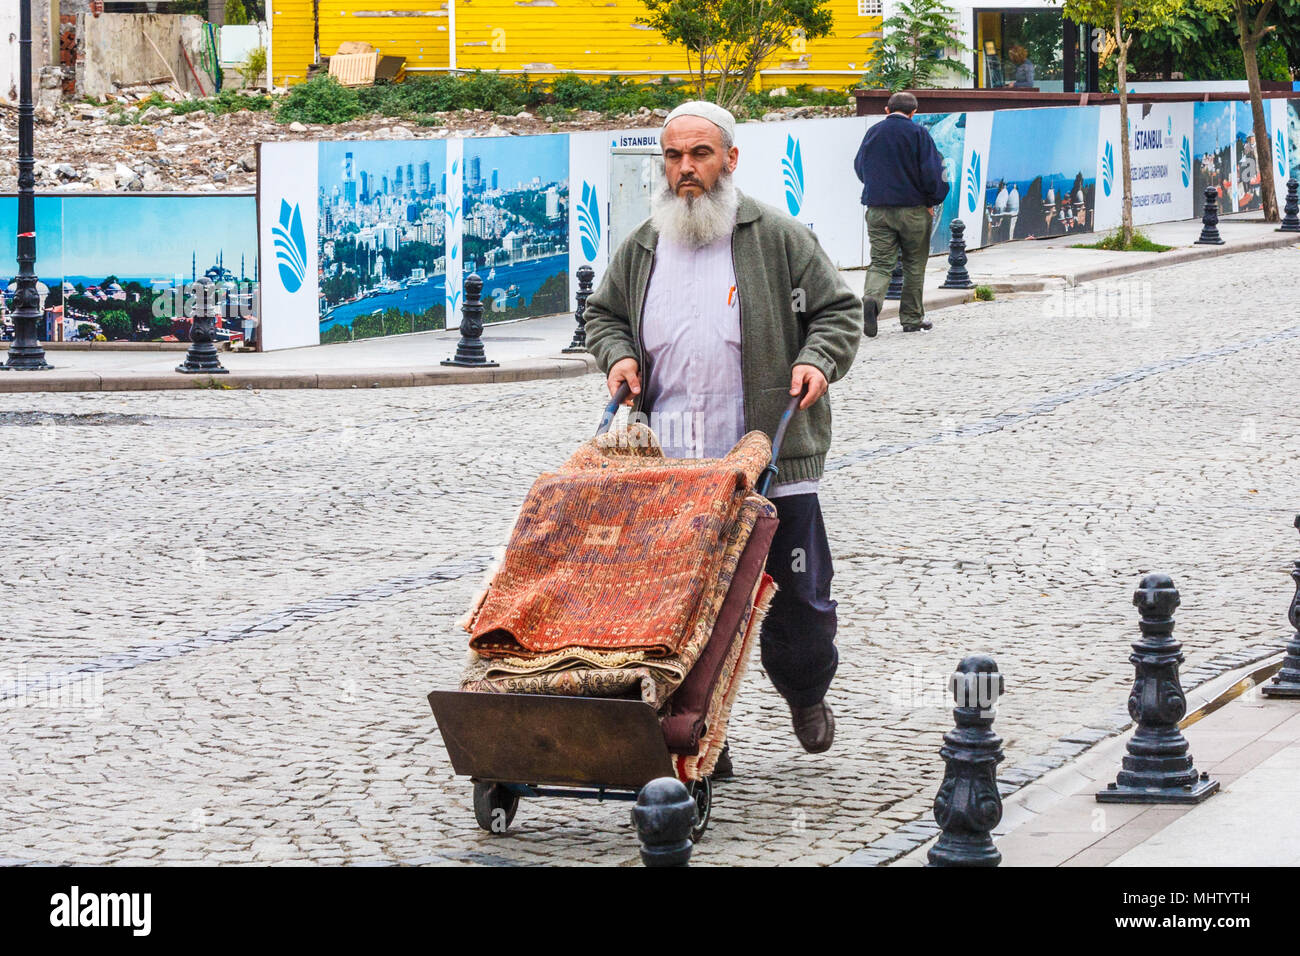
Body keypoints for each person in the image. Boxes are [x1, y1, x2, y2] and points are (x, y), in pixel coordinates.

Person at [583, 101, 862, 760]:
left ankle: (805, 692)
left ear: (730, 159)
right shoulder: (645, 243)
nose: (686, 169)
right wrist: (618, 354)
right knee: (680, 609)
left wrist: (816, 359)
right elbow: (603, 316)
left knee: (798, 606)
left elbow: (837, 311)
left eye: (700, 155)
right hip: (673, 466)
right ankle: (700, 733)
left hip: (771, 459)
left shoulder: (777, 236)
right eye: (674, 156)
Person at [853, 90, 950, 335]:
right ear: (914, 112)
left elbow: (860, 166)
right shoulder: (919, 133)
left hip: (878, 209)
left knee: (881, 263)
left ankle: (872, 300)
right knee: (914, 265)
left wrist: (875, 188)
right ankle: (912, 318)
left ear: (887, 109)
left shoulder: (873, 132)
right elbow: (932, 172)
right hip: (913, 210)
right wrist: (933, 199)